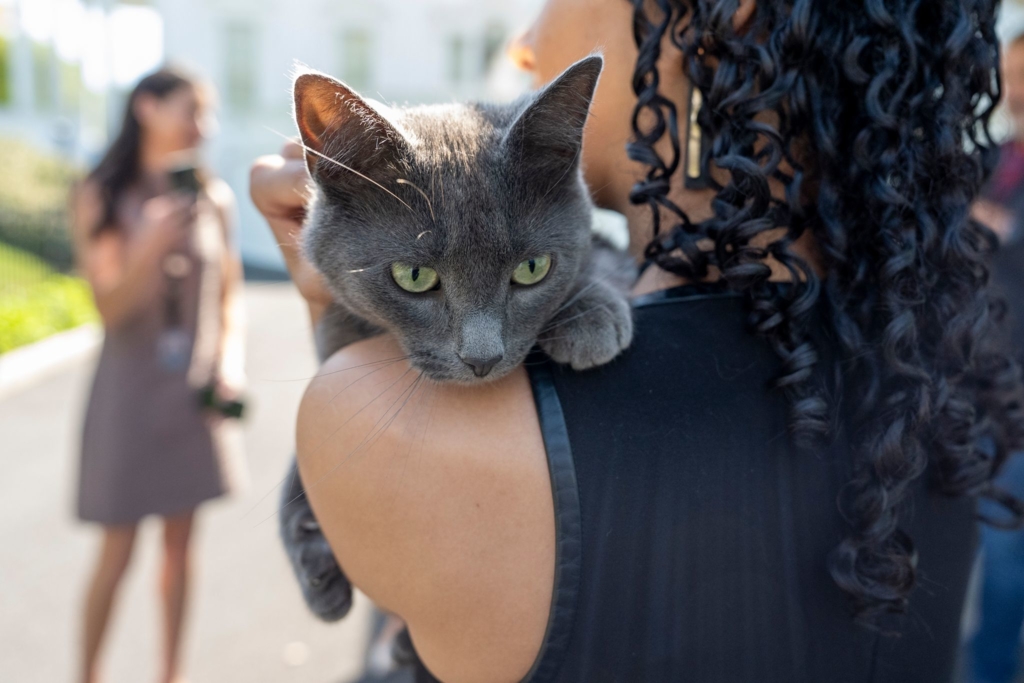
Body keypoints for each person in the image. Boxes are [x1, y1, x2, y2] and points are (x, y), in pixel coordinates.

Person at [251, 1, 1024, 681]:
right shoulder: (940, 368)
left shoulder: (424, 436)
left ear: (711, 13)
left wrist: (335, 313)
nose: (524, 41)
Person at [72, 67, 245, 683]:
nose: (203, 125)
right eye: (190, 109)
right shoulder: (101, 194)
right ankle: (87, 674)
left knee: (180, 547)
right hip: (128, 392)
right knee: (117, 551)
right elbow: (109, 310)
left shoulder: (213, 196)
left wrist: (229, 364)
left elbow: (228, 295)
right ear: (146, 107)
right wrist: (146, 245)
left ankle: (171, 675)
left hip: (191, 391)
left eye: (207, 112)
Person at [970, 29, 1024, 683]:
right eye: (1010, 76)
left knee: (1006, 554)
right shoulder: (989, 159)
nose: (1016, 91)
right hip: (972, 385)